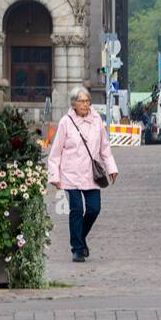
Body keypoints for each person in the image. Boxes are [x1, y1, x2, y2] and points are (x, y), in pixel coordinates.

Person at [47, 89, 119, 263]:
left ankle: (80, 237)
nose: (85, 104)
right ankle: (77, 249)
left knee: (94, 209)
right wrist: (54, 176)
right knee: (77, 209)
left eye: (87, 101)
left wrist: (111, 168)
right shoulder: (66, 122)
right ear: (74, 104)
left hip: (91, 174)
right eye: (82, 101)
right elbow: (56, 152)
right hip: (70, 174)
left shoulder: (97, 121)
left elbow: (105, 148)